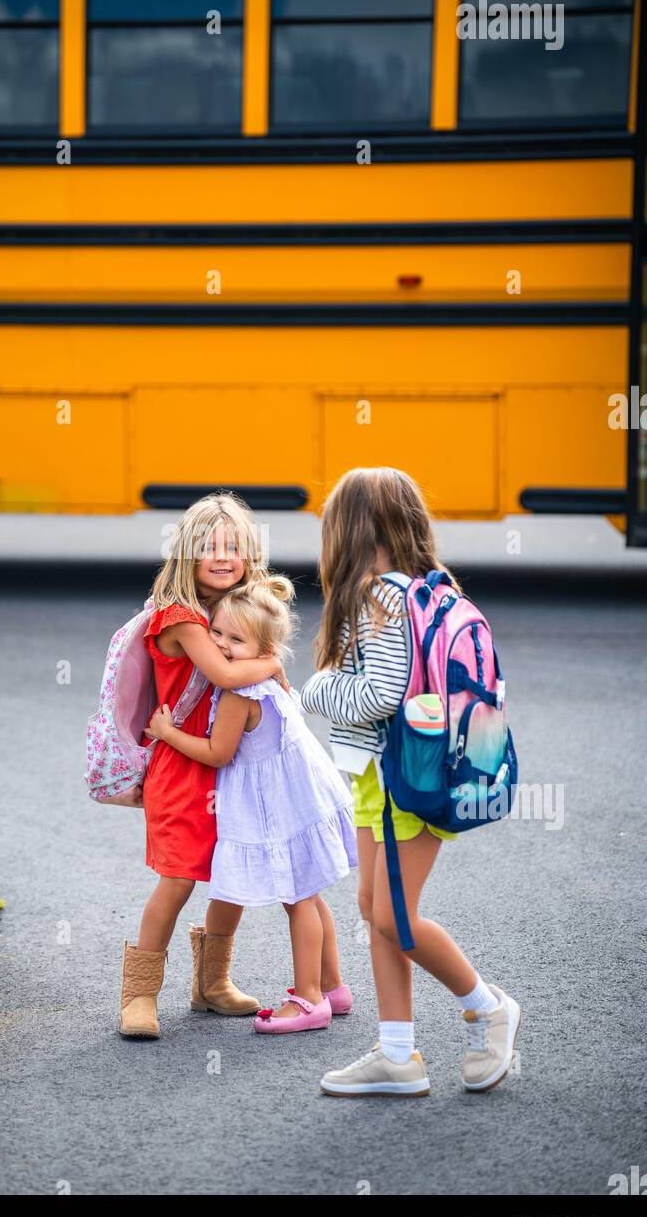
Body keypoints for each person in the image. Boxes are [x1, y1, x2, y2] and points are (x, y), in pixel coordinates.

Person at [301, 467, 522, 1094]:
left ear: (347, 531)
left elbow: (381, 693)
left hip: (403, 773)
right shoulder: (423, 588)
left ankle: (486, 1006)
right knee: (376, 910)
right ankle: (397, 1053)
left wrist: (312, 689)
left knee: (394, 915)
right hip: (389, 772)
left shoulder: (378, 599)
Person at [146, 575, 356, 1035]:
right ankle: (333, 987)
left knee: (298, 899)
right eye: (217, 632)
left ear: (265, 649)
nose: (220, 645)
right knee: (310, 894)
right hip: (304, 798)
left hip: (276, 807)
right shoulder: (269, 677)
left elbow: (217, 753)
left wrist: (168, 734)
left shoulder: (239, 693)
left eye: (235, 640)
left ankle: (309, 1001)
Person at [119, 492, 283, 1040]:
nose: (222, 555)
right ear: (184, 554)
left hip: (228, 763)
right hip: (181, 767)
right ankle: (139, 995)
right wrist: (274, 657)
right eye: (208, 545)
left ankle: (212, 983)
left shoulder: (230, 614)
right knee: (178, 879)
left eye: (234, 546)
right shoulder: (182, 618)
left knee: (232, 874)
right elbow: (226, 675)